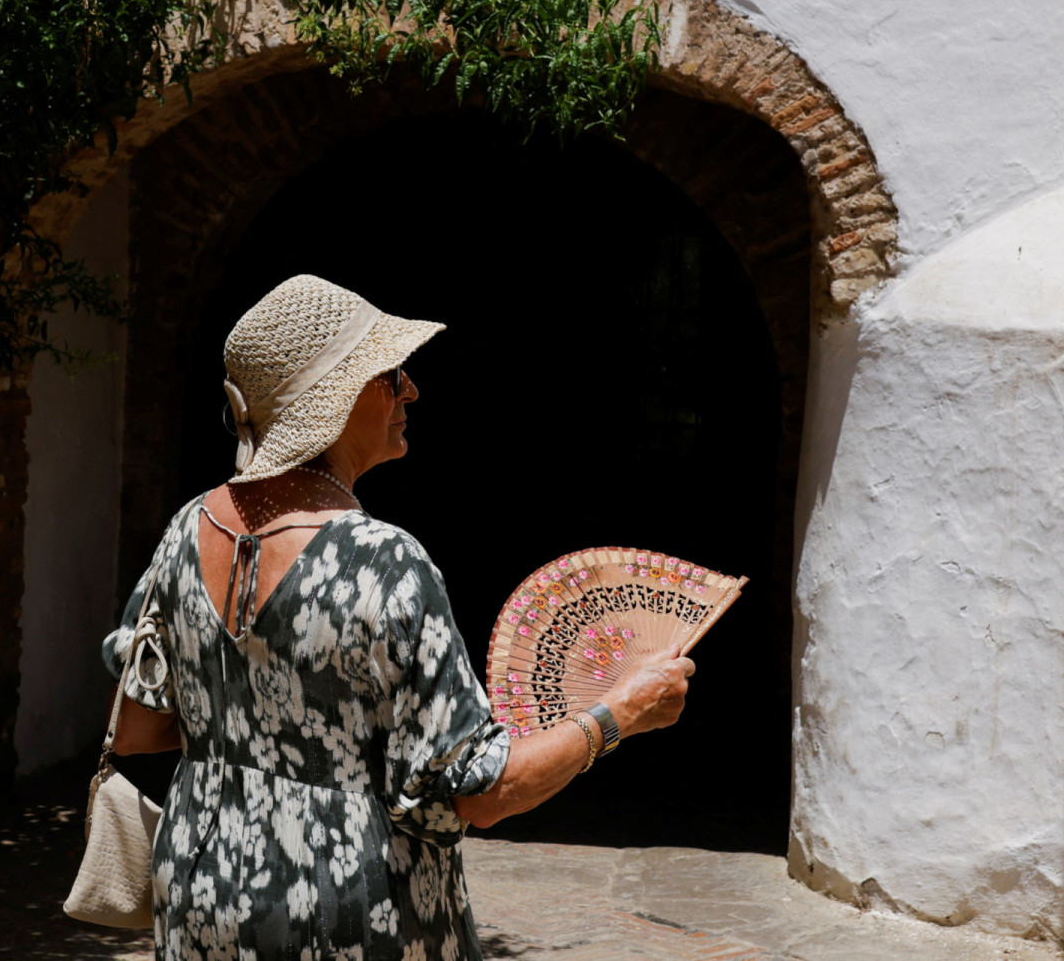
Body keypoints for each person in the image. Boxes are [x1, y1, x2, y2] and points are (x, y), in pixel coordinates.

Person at [100, 274, 694, 960]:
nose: (410, 389)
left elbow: (137, 728)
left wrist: (257, 727)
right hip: (346, 910)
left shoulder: (187, 528)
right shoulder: (383, 561)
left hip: (201, 894)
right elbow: (483, 792)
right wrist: (621, 712)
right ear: (335, 398)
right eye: (388, 375)